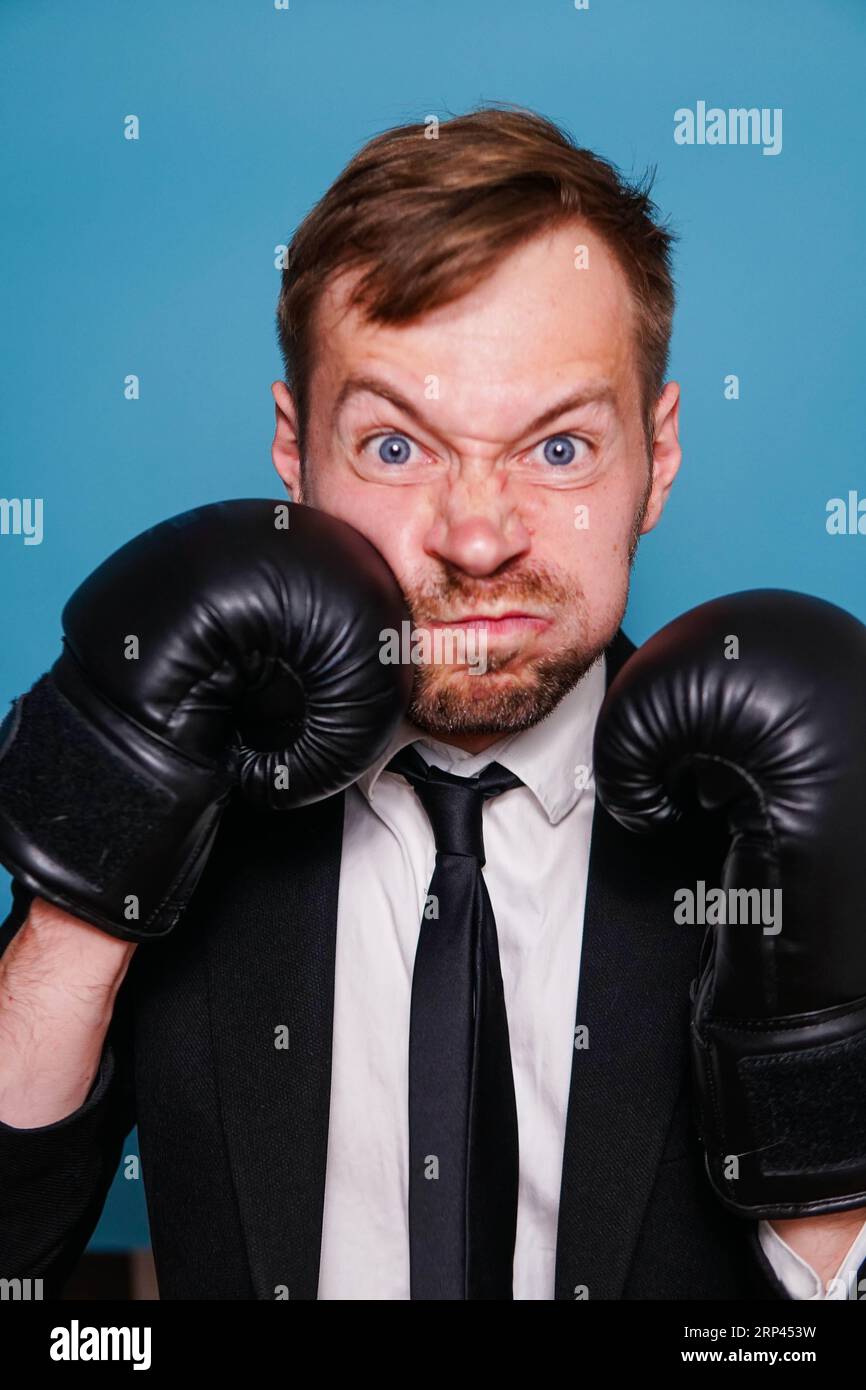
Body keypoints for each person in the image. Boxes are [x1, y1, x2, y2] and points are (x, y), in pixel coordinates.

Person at [1, 105, 864, 1301]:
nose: (474, 534)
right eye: (396, 447)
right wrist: (86, 881)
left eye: (556, 448)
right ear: (293, 451)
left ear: (656, 458)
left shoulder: (764, 832)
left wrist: (821, 1023)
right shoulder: (198, 804)